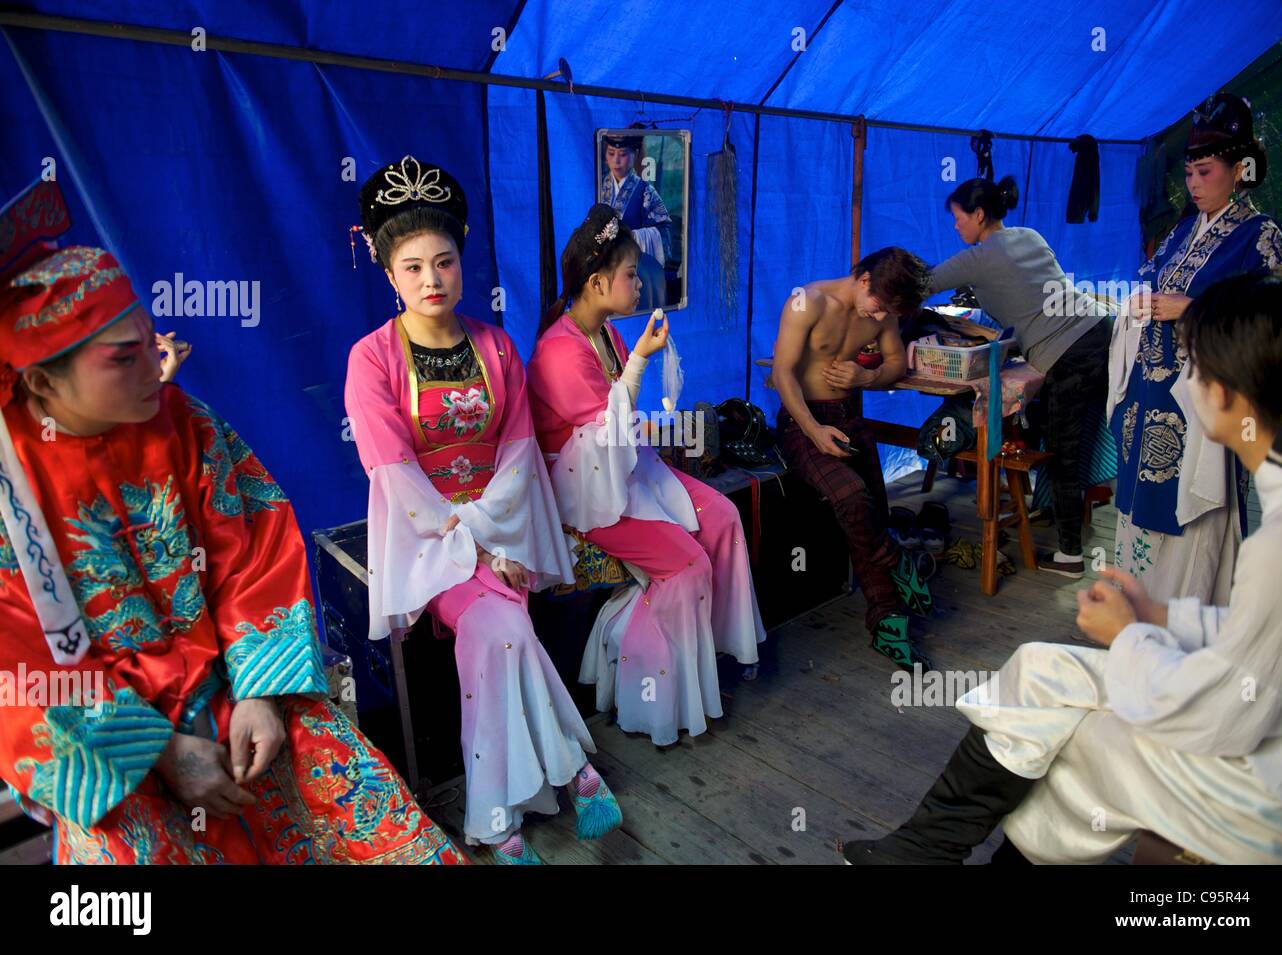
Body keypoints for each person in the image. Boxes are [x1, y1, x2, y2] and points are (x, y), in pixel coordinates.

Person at [0, 230, 465, 863]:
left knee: (374, 823)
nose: (153, 366)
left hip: (237, 686)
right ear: (42, 383)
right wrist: (162, 752)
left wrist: (260, 692)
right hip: (117, 747)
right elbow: (22, 674)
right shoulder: (9, 494)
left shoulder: (182, 421)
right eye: (121, 358)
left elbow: (253, 554)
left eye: (148, 340)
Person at [843, 272, 1282, 865]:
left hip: (1263, 780)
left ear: (1231, 394)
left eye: (1195, 368)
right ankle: (923, 850)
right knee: (1039, 668)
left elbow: (1225, 716)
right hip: (1258, 726)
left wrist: (1130, 635)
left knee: (1060, 751)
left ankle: (926, 850)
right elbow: (1263, 643)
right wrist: (1162, 614)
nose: (1186, 382)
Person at [344, 157, 621, 864]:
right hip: (425, 542)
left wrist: (502, 540)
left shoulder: (496, 345)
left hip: (503, 531)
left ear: (463, 263)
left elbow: (520, 454)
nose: (431, 279)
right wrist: (469, 539)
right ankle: (569, 771)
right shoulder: (371, 359)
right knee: (503, 630)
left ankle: (501, 815)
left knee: (500, 642)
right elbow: (393, 471)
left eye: (445, 261)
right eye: (412, 268)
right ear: (389, 276)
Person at [527, 203, 765, 745]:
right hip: (588, 490)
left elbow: (623, 425)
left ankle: (715, 652)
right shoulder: (558, 354)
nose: (639, 284)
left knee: (724, 516)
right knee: (685, 566)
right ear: (597, 281)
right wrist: (639, 361)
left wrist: (666, 424)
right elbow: (604, 440)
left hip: (626, 468)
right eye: (631, 274)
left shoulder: (603, 333)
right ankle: (645, 686)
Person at [1108, 93, 1282, 603]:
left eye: (1205, 171)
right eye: (1189, 173)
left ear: (1240, 170)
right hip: (1148, 398)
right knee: (1141, 505)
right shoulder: (1181, 230)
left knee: (1192, 509)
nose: (1192, 184)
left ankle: (1187, 622)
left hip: (1205, 405)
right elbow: (1148, 282)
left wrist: (1192, 309)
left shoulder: (1262, 237)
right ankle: (1138, 615)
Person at [927, 176, 1115, 578]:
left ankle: (1070, 556)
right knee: (1054, 426)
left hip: (1068, 352)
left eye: (958, 219)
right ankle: (1051, 509)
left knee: (1063, 448)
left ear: (978, 215)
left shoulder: (978, 258)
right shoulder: (1028, 235)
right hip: (1099, 330)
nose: (955, 227)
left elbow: (924, 283)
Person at [770, 247, 934, 669]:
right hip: (802, 423)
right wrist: (812, 430)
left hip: (850, 418)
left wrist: (869, 376)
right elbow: (782, 372)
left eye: (887, 315)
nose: (879, 320)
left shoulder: (885, 309)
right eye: (877, 309)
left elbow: (895, 361)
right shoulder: (806, 302)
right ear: (863, 280)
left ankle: (888, 626)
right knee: (853, 497)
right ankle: (896, 559)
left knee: (872, 513)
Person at [600, 129, 674, 310]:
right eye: (611, 154)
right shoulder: (597, 187)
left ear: (635, 154)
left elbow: (664, 236)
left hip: (633, 273)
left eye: (623, 154)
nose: (616, 161)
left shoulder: (646, 191)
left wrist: (631, 238)